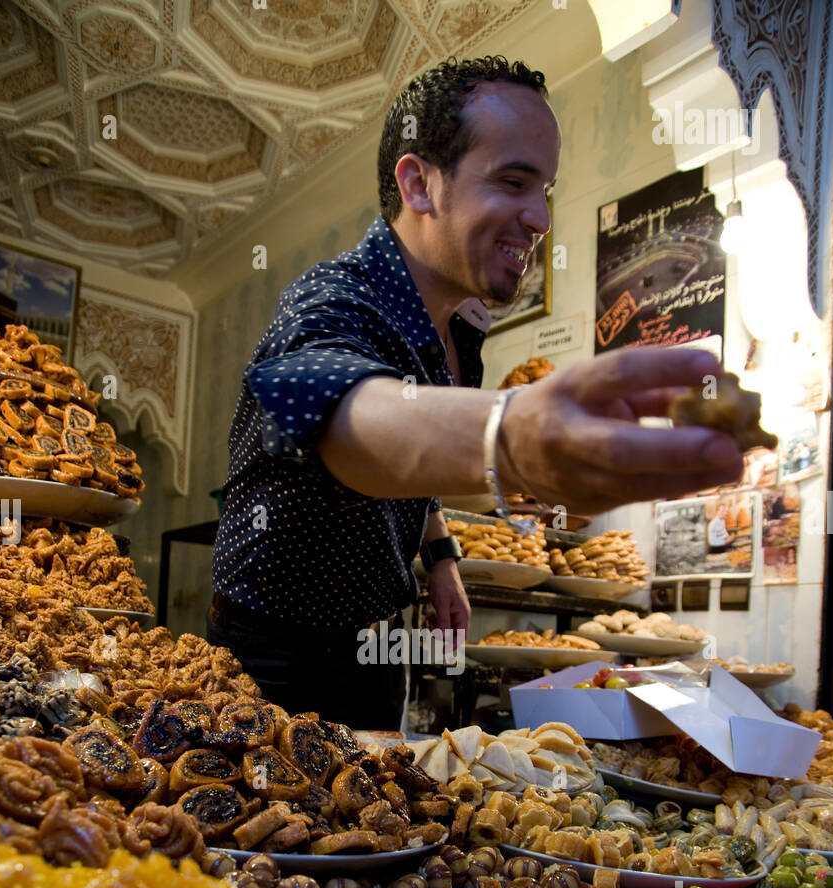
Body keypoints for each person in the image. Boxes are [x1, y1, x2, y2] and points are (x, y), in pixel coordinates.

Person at [208, 55, 744, 726]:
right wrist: (512, 437)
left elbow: (417, 461)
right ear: (419, 184)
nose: (541, 216)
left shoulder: (461, 330)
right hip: (273, 651)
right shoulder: (332, 298)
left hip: (377, 632)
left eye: (546, 187)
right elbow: (344, 413)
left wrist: (440, 556)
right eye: (514, 181)